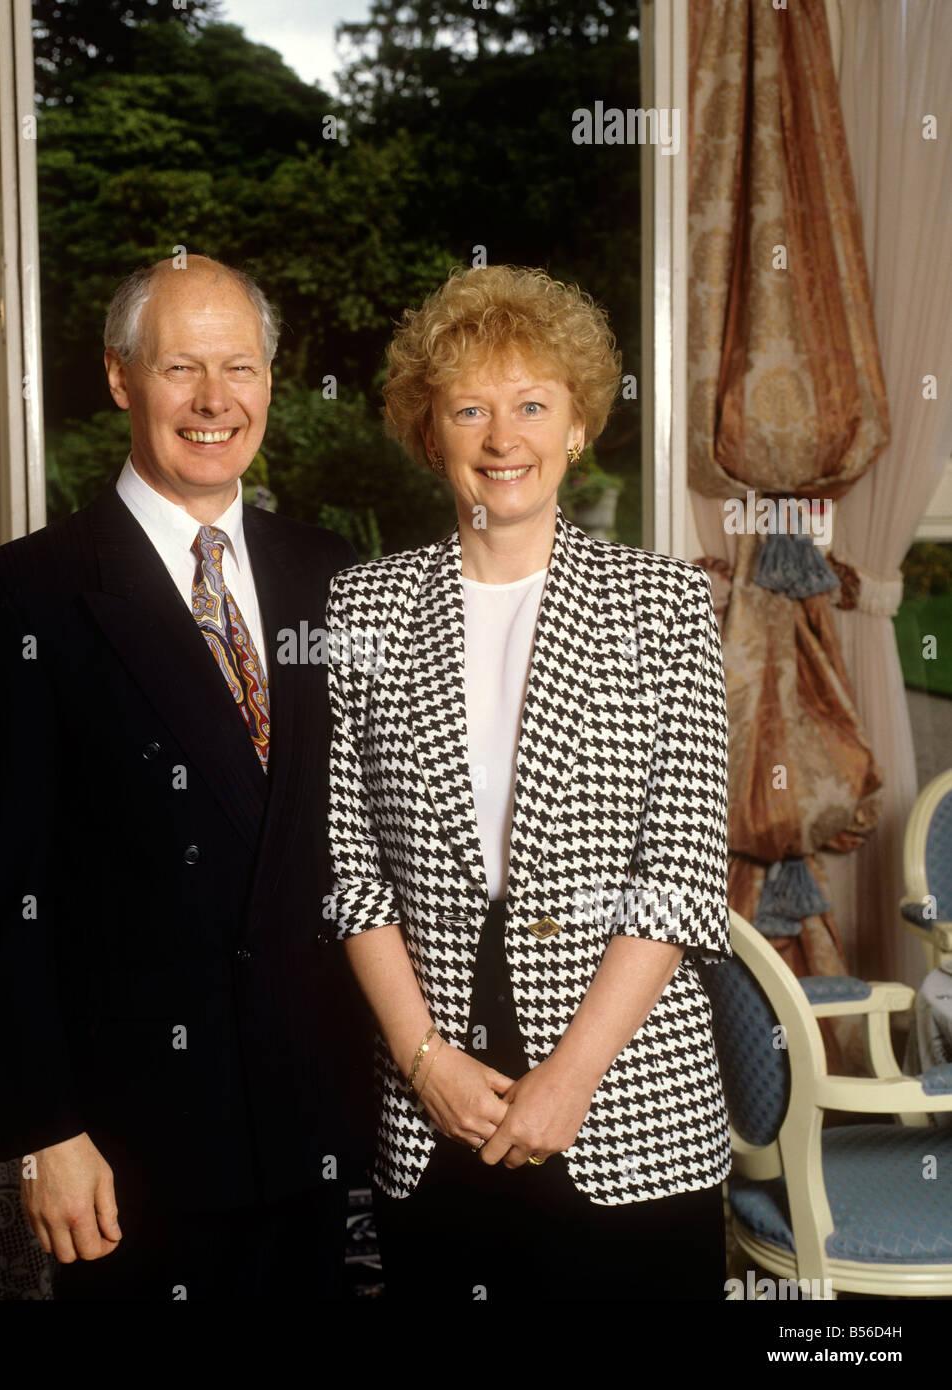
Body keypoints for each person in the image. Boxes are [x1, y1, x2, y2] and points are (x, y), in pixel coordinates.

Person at [0, 254, 368, 1300]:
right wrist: (46, 1129)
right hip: (134, 1142)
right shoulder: (22, 597)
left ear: (272, 380)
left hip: (317, 1118)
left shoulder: (331, 572)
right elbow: (6, 893)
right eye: (183, 367)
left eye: (242, 367)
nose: (216, 399)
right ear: (121, 377)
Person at [325, 264, 732, 1300]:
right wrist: (424, 1059)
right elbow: (349, 870)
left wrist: (572, 1078)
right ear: (432, 432)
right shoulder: (362, 609)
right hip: (435, 1114)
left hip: (631, 1111)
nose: (504, 437)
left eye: (533, 404)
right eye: (471, 408)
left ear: (580, 424)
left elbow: (679, 874)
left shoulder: (665, 604)